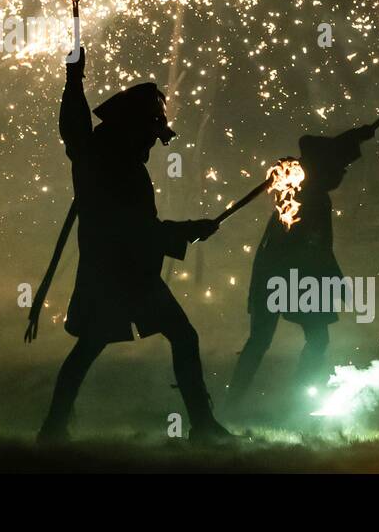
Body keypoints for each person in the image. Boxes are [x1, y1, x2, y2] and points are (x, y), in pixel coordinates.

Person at [36, 47, 232, 444]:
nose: (152, 140)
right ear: (133, 127)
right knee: (177, 336)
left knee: (92, 346)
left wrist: (75, 80)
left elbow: (138, 227)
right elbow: (136, 230)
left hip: (118, 272)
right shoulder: (105, 161)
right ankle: (204, 426)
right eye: (148, 131)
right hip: (120, 274)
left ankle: (53, 429)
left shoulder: (104, 156)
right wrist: (188, 230)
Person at [223, 126, 374, 419]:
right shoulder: (308, 197)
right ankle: (291, 404)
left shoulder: (299, 191)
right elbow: (317, 249)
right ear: (323, 168)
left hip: (283, 276)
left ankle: (244, 404)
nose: (342, 173)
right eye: (339, 167)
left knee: (263, 341)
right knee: (303, 340)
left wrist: (357, 136)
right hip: (291, 278)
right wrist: (339, 286)